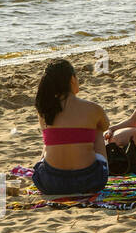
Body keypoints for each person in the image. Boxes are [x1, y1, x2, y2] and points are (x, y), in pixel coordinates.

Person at [33, 59, 110, 196]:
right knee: (97, 130)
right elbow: (105, 126)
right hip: (91, 181)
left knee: (51, 138)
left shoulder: (45, 111)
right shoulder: (93, 108)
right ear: (72, 80)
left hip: (50, 183)